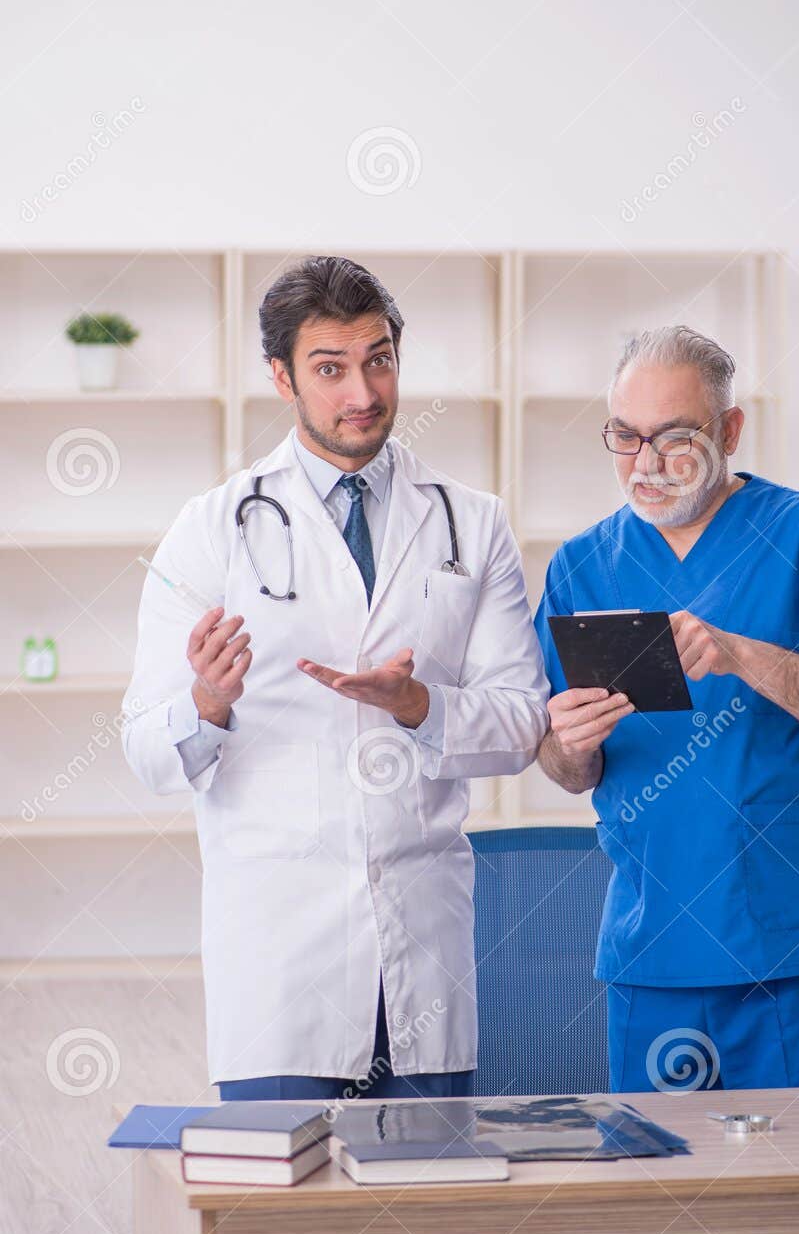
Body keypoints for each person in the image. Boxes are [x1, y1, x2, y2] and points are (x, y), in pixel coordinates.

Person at [122, 256, 548, 1101]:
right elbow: (145, 752)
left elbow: (520, 726)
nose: (363, 391)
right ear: (281, 377)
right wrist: (207, 704)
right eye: (330, 368)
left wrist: (420, 705)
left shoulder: (473, 520)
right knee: (285, 1220)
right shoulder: (211, 530)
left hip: (423, 940)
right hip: (283, 955)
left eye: (379, 359)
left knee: (431, 1212)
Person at [534, 326, 799, 1092]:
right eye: (625, 436)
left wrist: (741, 654)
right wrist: (568, 745)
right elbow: (569, 767)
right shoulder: (582, 566)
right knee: (664, 1195)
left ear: (730, 431)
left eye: (676, 437)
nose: (646, 464)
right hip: (655, 944)